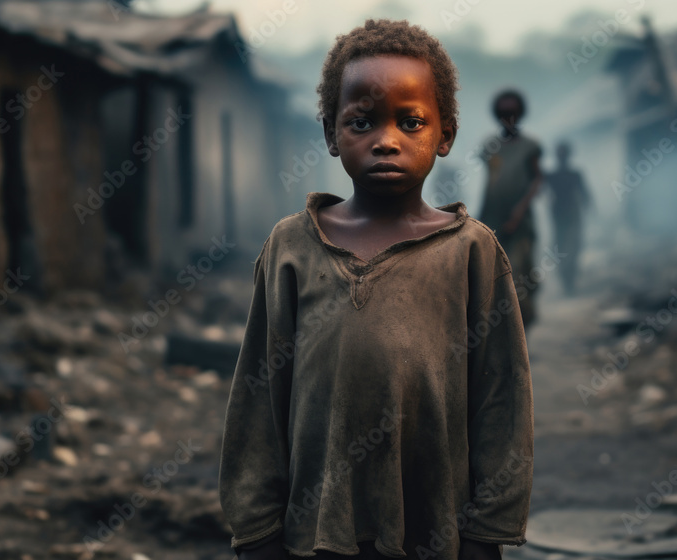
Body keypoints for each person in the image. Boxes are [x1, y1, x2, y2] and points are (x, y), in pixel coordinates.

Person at [218, 19, 533, 560]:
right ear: (330, 134)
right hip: (313, 531)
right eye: (361, 122)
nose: (386, 141)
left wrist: (487, 531)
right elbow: (258, 393)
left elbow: (502, 399)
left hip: (436, 530)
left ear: (446, 133)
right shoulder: (292, 247)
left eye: (411, 123)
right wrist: (256, 527)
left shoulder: (471, 252)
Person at [477, 91, 542, 327]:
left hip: (520, 223)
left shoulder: (530, 146)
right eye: (503, 114)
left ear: (520, 114)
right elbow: (491, 181)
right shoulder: (490, 146)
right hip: (493, 218)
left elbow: (537, 180)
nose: (508, 118)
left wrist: (519, 210)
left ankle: (523, 328)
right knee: (492, 278)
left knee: (518, 275)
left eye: (512, 113)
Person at [543, 142, 591, 296]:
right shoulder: (552, 176)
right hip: (559, 216)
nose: (562, 156)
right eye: (560, 153)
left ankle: (569, 281)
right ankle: (566, 281)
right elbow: (538, 189)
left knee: (572, 247)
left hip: (571, 214)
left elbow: (585, 195)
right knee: (563, 247)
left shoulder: (573, 174)